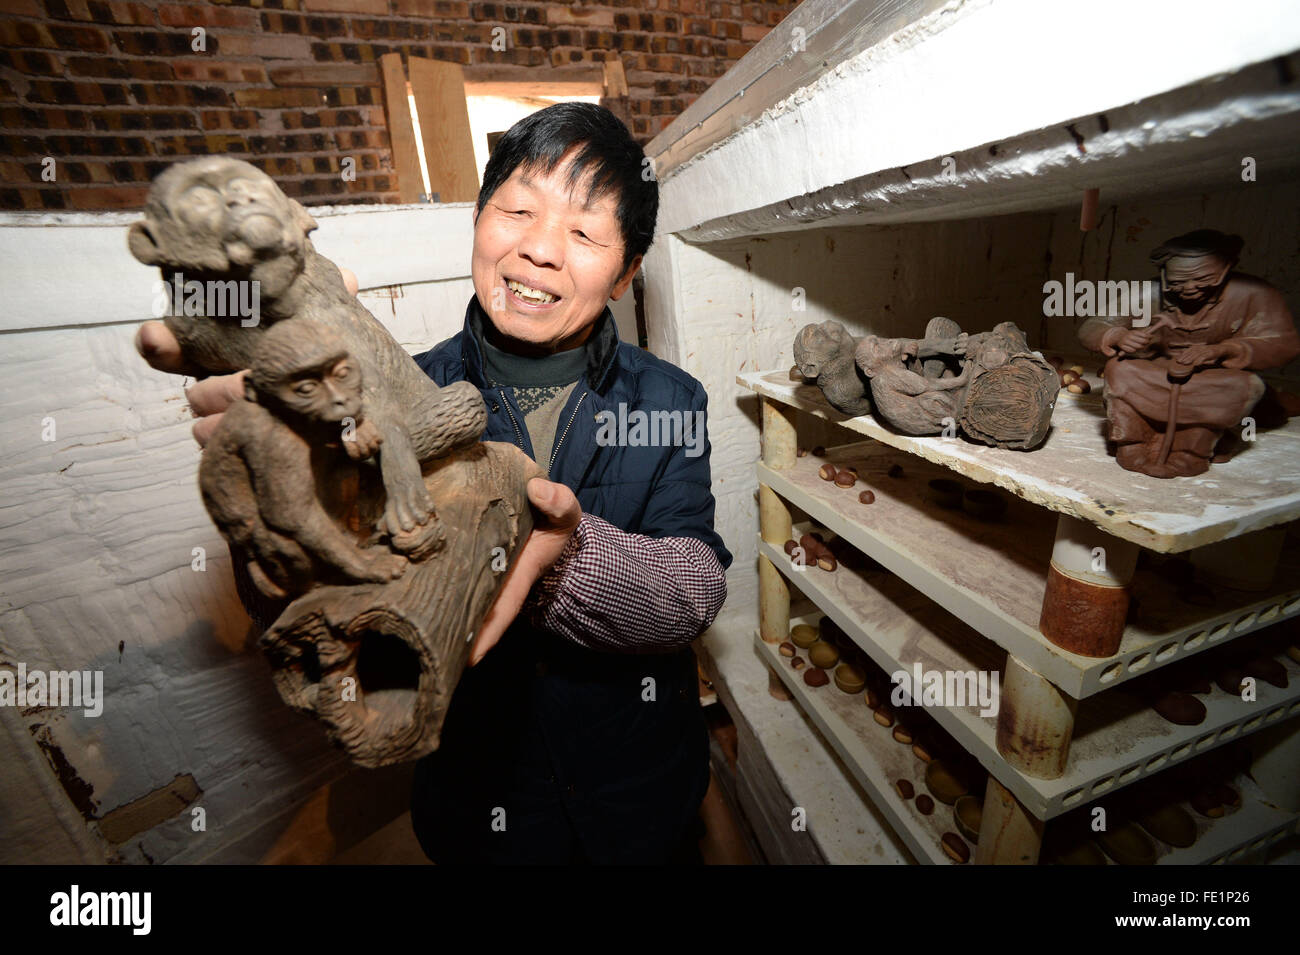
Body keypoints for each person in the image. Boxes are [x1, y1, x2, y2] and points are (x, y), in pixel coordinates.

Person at [136, 102, 732, 864]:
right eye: (517, 209)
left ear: (626, 272)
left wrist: (561, 556)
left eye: (584, 232)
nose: (541, 248)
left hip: (639, 793)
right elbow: (295, 606)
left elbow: (693, 589)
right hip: (484, 803)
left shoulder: (667, 399)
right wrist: (278, 509)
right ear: (479, 219)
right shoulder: (397, 389)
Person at [1078, 230, 1300, 477]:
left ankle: (1193, 450)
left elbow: (1284, 344)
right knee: (1119, 369)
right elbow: (1093, 326)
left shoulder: (1255, 293)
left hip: (1212, 376)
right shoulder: (1147, 292)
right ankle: (1134, 443)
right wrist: (1117, 335)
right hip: (1154, 372)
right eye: (1177, 281)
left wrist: (1225, 350)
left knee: (1245, 385)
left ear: (1228, 266)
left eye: (1203, 278)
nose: (1190, 288)